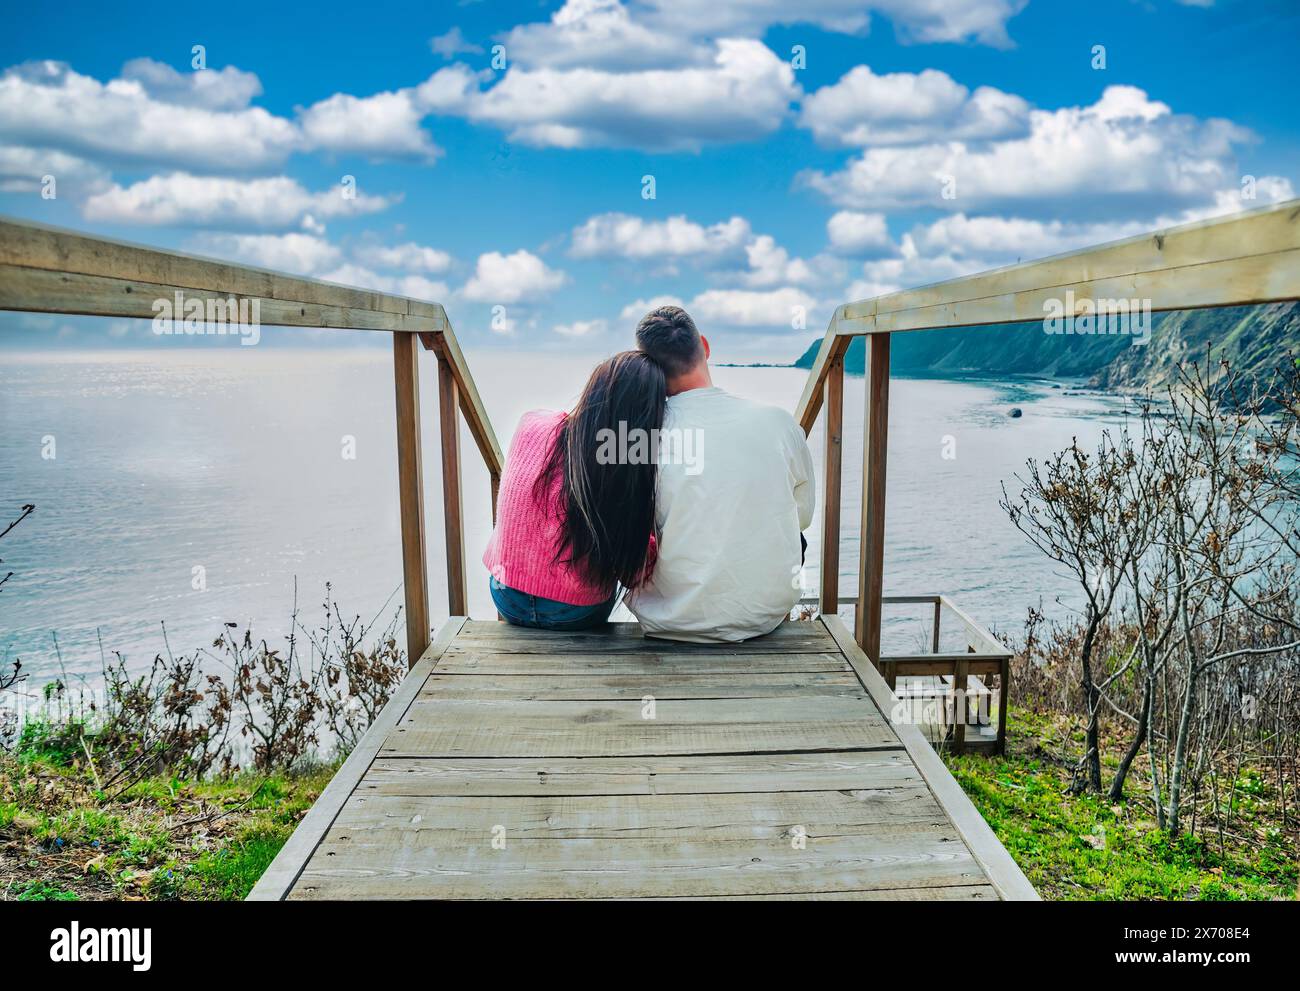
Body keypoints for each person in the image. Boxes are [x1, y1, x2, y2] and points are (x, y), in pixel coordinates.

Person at [625, 306, 815, 642]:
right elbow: (802, 515)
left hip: (671, 620)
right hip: (765, 615)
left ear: (647, 367)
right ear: (705, 346)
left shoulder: (644, 436)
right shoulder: (778, 422)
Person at [483, 350, 665, 630]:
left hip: (506, 596)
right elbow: (635, 573)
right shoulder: (620, 466)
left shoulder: (531, 422)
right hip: (573, 611)